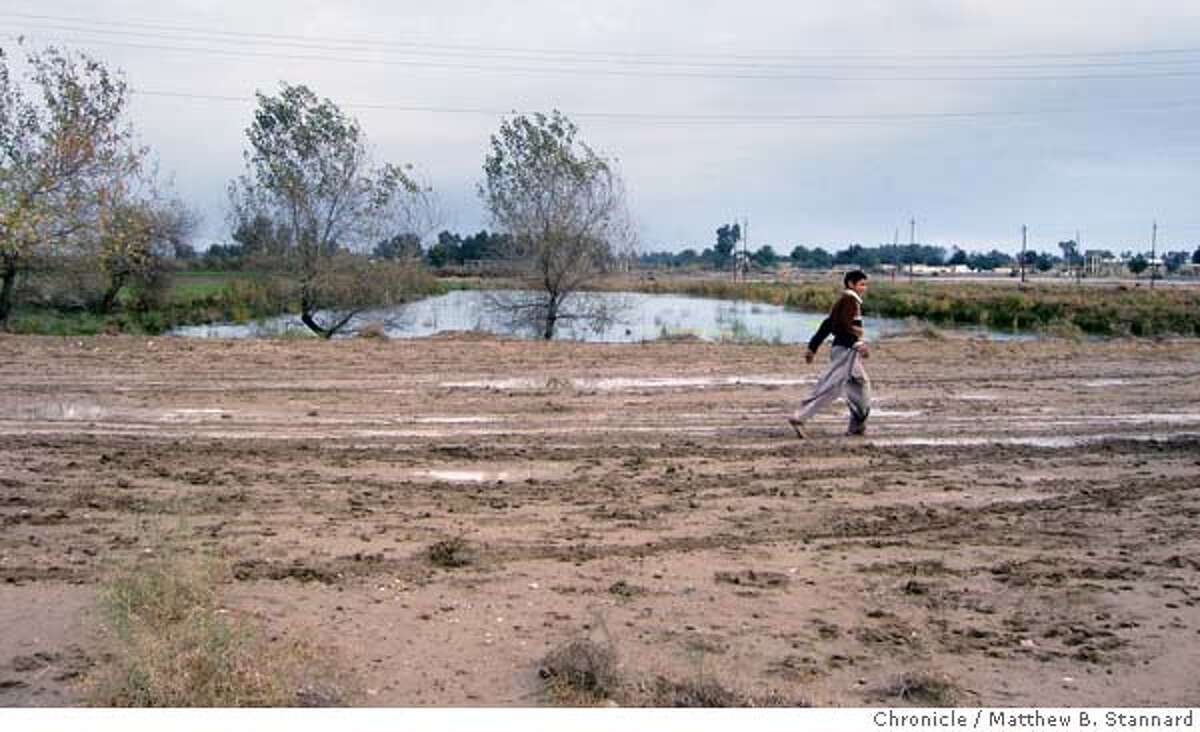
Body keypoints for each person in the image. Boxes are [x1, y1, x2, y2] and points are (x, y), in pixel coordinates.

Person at [788, 270, 871, 438]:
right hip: (845, 351)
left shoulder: (844, 300)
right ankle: (799, 418)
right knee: (832, 387)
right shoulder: (849, 300)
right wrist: (858, 343)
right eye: (861, 284)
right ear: (850, 284)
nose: (864, 288)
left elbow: (828, 324)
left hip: (844, 350)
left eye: (865, 284)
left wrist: (812, 347)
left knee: (860, 386)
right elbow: (842, 326)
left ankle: (857, 425)